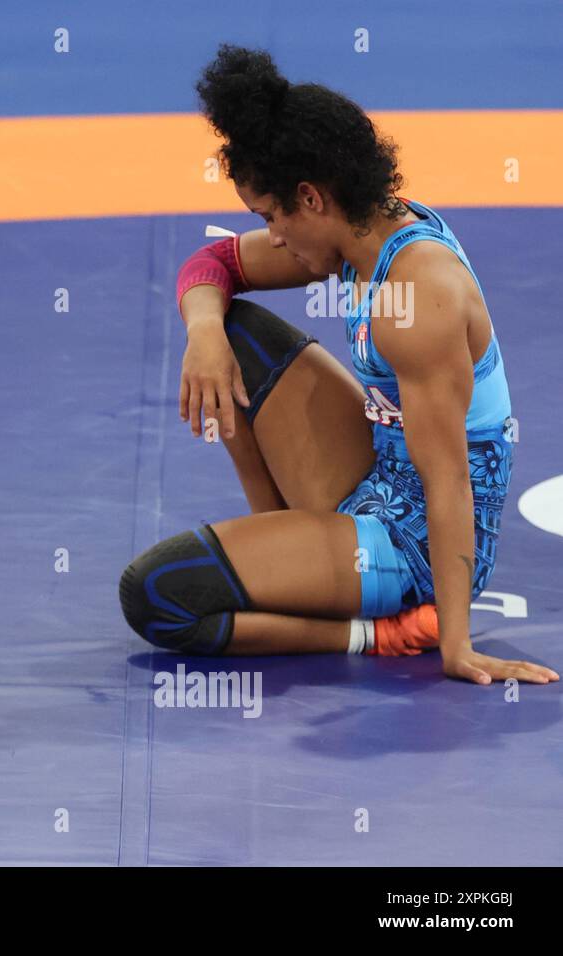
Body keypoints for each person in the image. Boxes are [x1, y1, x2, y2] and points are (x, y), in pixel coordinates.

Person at [119, 45, 556, 686]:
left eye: (271, 217)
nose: (272, 237)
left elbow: (450, 481)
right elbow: (208, 267)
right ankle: (284, 548)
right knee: (230, 335)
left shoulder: (415, 298)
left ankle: (378, 632)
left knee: (158, 592)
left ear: (311, 198)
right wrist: (204, 330)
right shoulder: (355, 235)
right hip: (377, 472)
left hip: (415, 548)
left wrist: (456, 646)